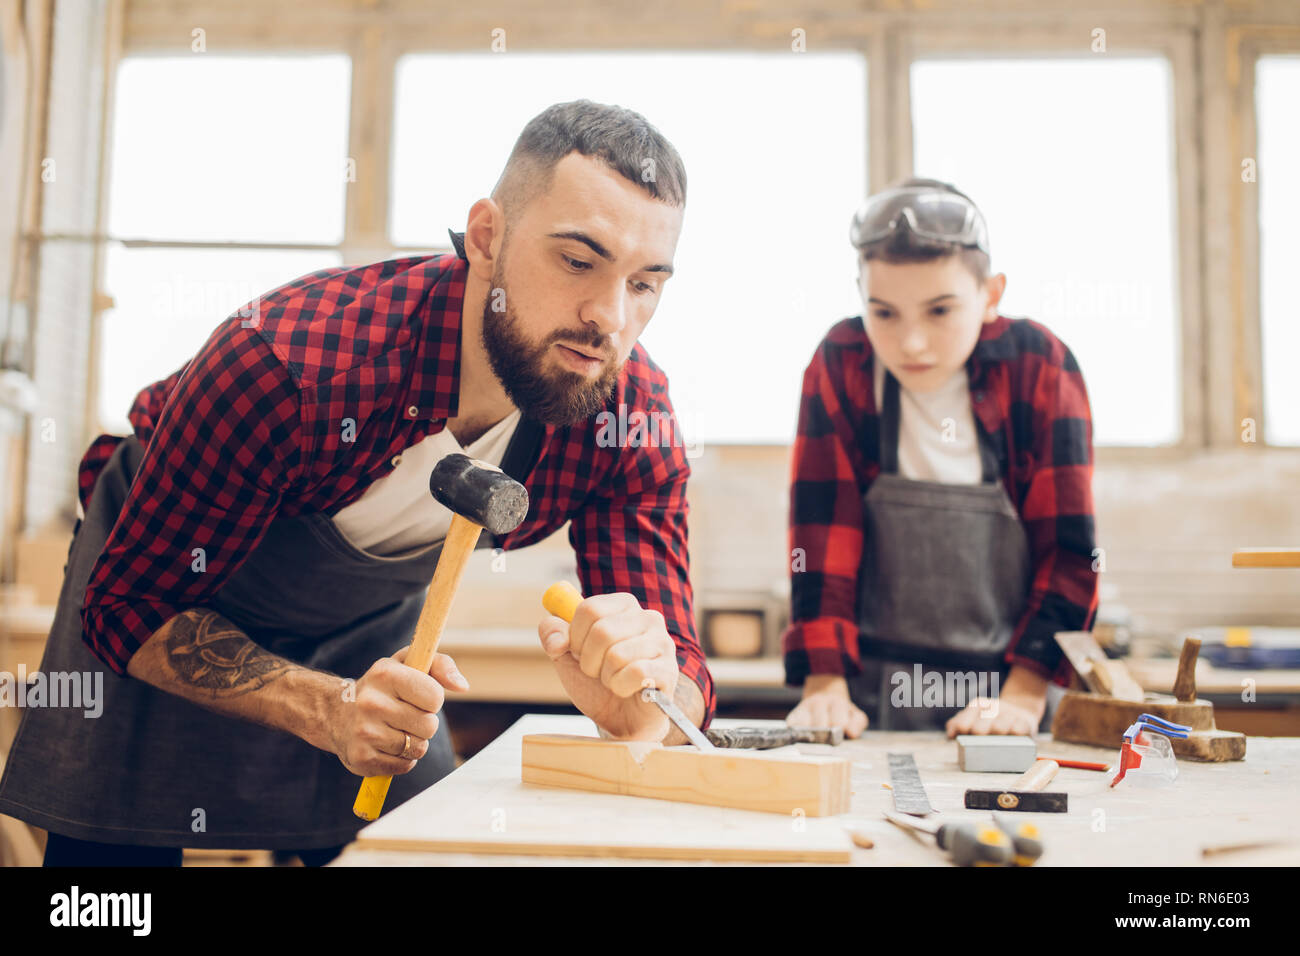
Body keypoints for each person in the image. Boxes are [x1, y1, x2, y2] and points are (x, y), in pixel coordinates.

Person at [0, 99, 713, 866]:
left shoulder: (624, 412)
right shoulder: (287, 364)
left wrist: (646, 708)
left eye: (645, 284)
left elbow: (677, 669)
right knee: (104, 899)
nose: (609, 318)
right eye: (578, 261)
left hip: (365, 632)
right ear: (486, 237)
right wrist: (327, 708)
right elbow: (128, 605)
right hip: (169, 584)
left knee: (419, 850)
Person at [783, 178, 1099, 736]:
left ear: (991, 293)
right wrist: (825, 684)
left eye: (939, 311)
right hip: (871, 695)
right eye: (884, 313)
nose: (911, 344)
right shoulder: (841, 364)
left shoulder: (1041, 366)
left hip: (1008, 689)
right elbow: (821, 542)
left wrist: (1022, 699)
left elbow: (1070, 554)